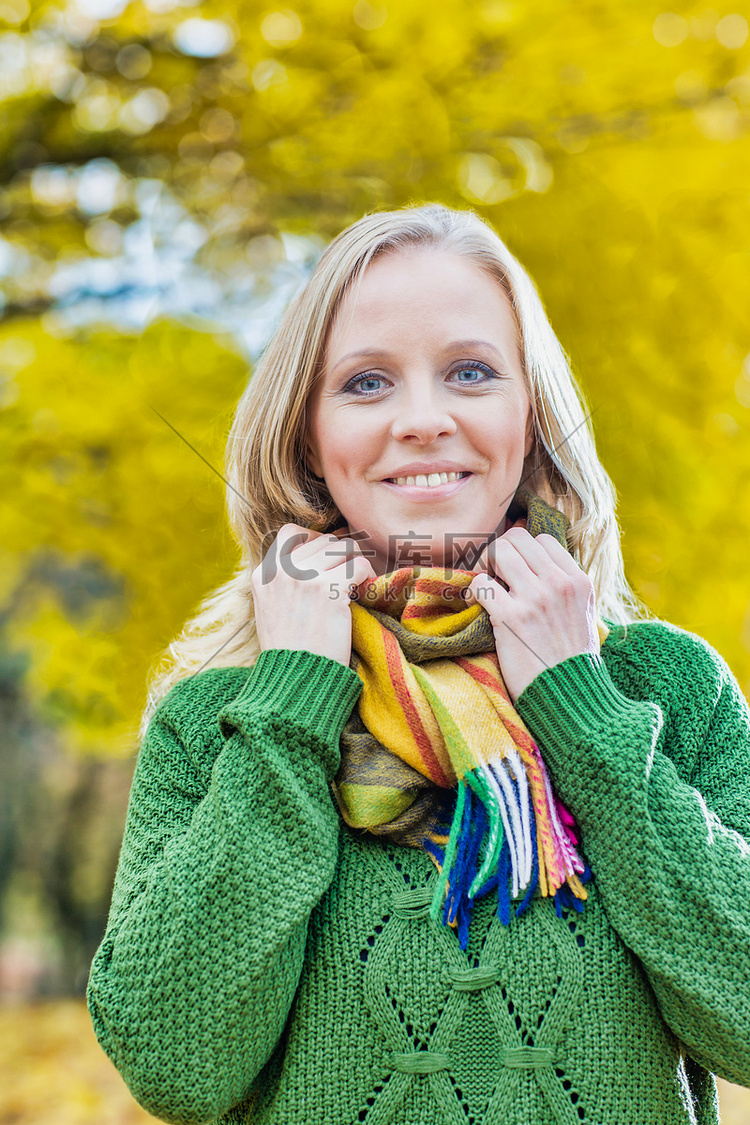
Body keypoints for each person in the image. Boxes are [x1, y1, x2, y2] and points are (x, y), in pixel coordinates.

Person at [87, 204, 750, 1125]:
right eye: (366, 383)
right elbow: (171, 1063)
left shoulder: (666, 691)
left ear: (532, 416)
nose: (424, 420)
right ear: (309, 440)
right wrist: (291, 705)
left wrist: (580, 710)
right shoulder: (219, 721)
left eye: (471, 372)